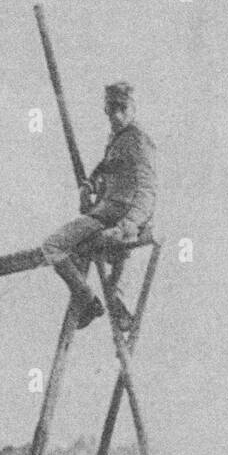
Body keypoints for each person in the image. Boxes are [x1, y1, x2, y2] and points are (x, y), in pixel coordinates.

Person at [41, 81, 156, 331]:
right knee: (59, 247)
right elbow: (105, 166)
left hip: (119, 219)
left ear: (133, 107)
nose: (115, 115)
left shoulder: (139, 141)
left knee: (54, 246)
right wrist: (88, 186)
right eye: (110, 108)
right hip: (104, 214)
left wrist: (128, 225)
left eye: (121, 108)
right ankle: (99, 302)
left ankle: (91, 301)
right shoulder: (117, 138)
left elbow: (147, 191)